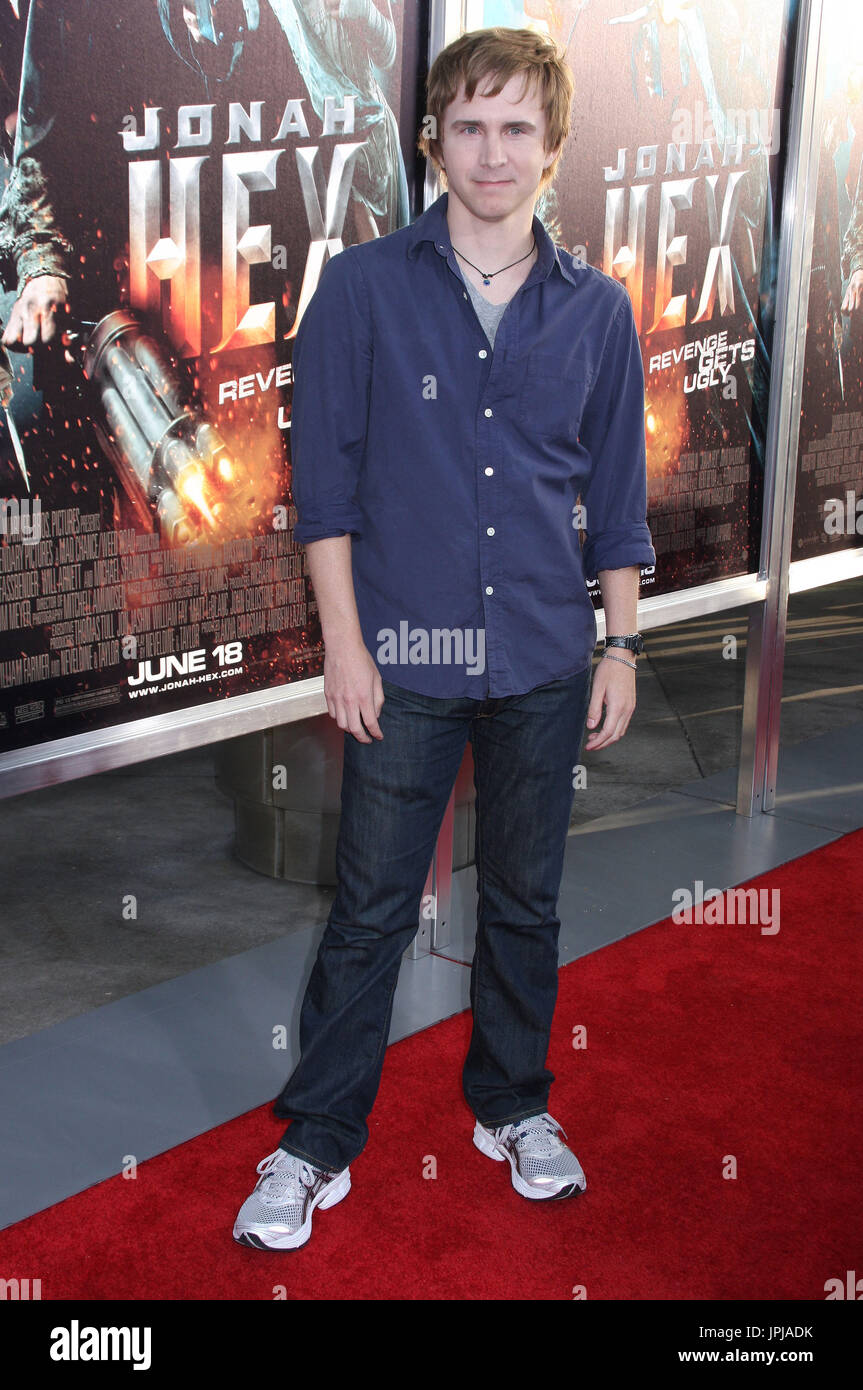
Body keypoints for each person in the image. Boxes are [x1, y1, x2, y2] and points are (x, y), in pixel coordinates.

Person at [233, 24, 655, 1252]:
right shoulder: (362, 289)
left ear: (552, 147)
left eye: (516, 127)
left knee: (525, 902)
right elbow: (325, 493)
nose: (491, 151)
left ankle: (511, 1105)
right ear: (432, 141)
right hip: (403, 660)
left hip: (543, 658)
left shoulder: (597, 311)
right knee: (370, 909)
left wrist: (620, 646)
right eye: (468, 125)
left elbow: (615, 501)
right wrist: (343, 644)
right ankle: (315, 1140)